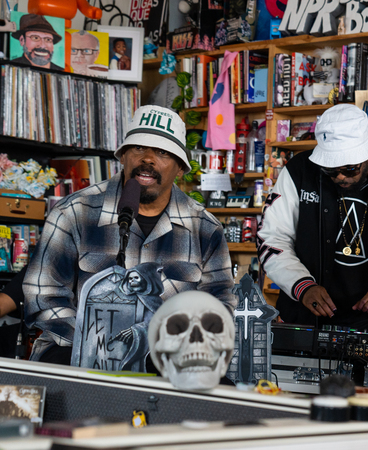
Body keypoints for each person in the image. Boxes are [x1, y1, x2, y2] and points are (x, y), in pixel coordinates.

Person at [24, 105, 236, 365]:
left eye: (161, 152)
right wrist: (92, 347)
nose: (147, 158)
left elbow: (221, 306)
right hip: (75, 349)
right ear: (123, 156)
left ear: (181, 168)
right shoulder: (74, 212)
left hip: (165, 359)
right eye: (138, 148)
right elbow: (43, 296)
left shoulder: (205, 228)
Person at [256, 104, 368, 330]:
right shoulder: (298, 172)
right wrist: (302, 286)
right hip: (305, 316)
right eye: (330, 170)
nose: (339, 177)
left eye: (350, 169)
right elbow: (272, 238)